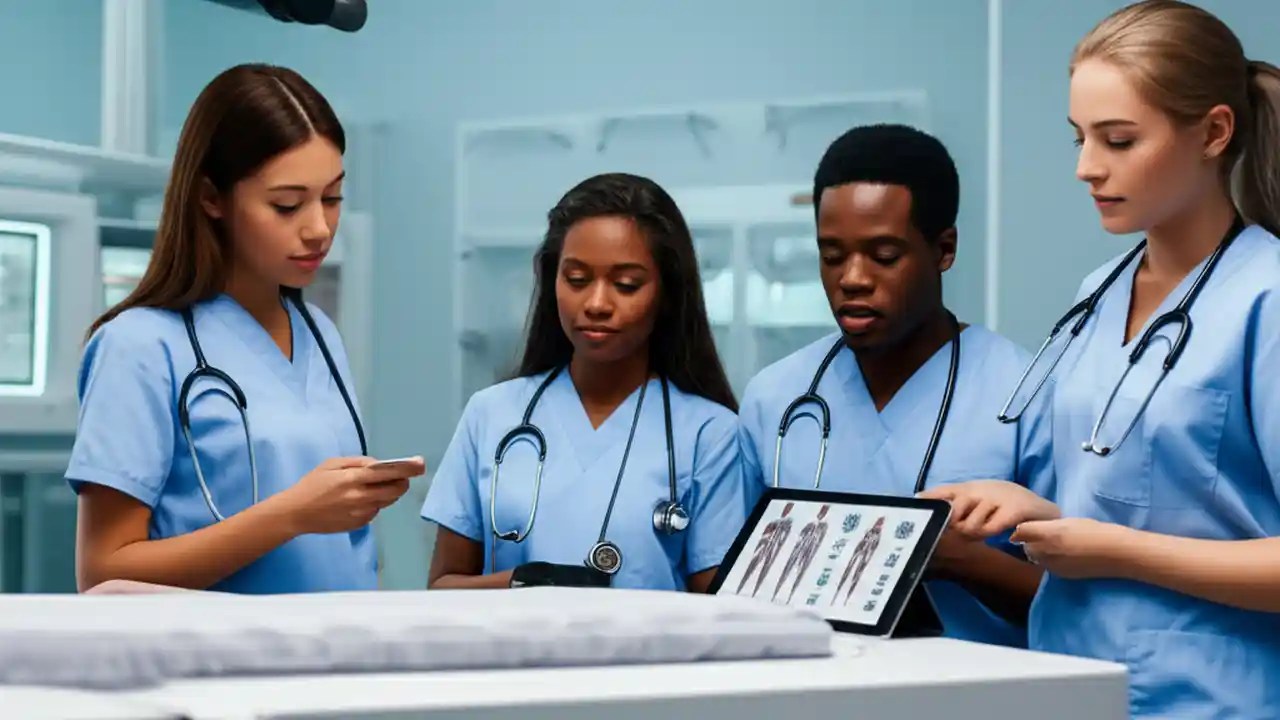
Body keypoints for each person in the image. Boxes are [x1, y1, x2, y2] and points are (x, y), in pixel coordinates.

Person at [933, 1, 1280, 716]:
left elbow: (1136, 539)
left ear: (1215, 131)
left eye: (1118, 140)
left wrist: (1113, 549)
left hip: (1213, 696)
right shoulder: (1098, 294)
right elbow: (1159, 496)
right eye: (1079, 139)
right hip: (1073, 677)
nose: (1087, 169)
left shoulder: (1267, 299)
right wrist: (1041, 512)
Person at [66, 64, 423, 594]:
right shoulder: (139, 346)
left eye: (332, 198)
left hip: (337, 657)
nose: (319, 228)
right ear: (212, 197)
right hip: (215, 666)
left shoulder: (319, 333)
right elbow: (103, 571)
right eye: (287, 204)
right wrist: (291, 515)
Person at [737, 124, 1052, 647]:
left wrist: (957, 560)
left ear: (944, 249)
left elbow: (1081, 601)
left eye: (883, 255)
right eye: (832, 255)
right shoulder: (776, 398)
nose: (853, 278)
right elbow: (737, 587)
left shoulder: (1026, 392)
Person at [421, 173, 746, 592]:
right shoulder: (492, 415)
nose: (595, 304)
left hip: (651, 658)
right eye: (576, 279)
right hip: (514, 655)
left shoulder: (709, 434)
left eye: (626, 285)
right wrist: (526, 584)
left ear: (667, 293)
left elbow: (722, 612)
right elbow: (442, 589)